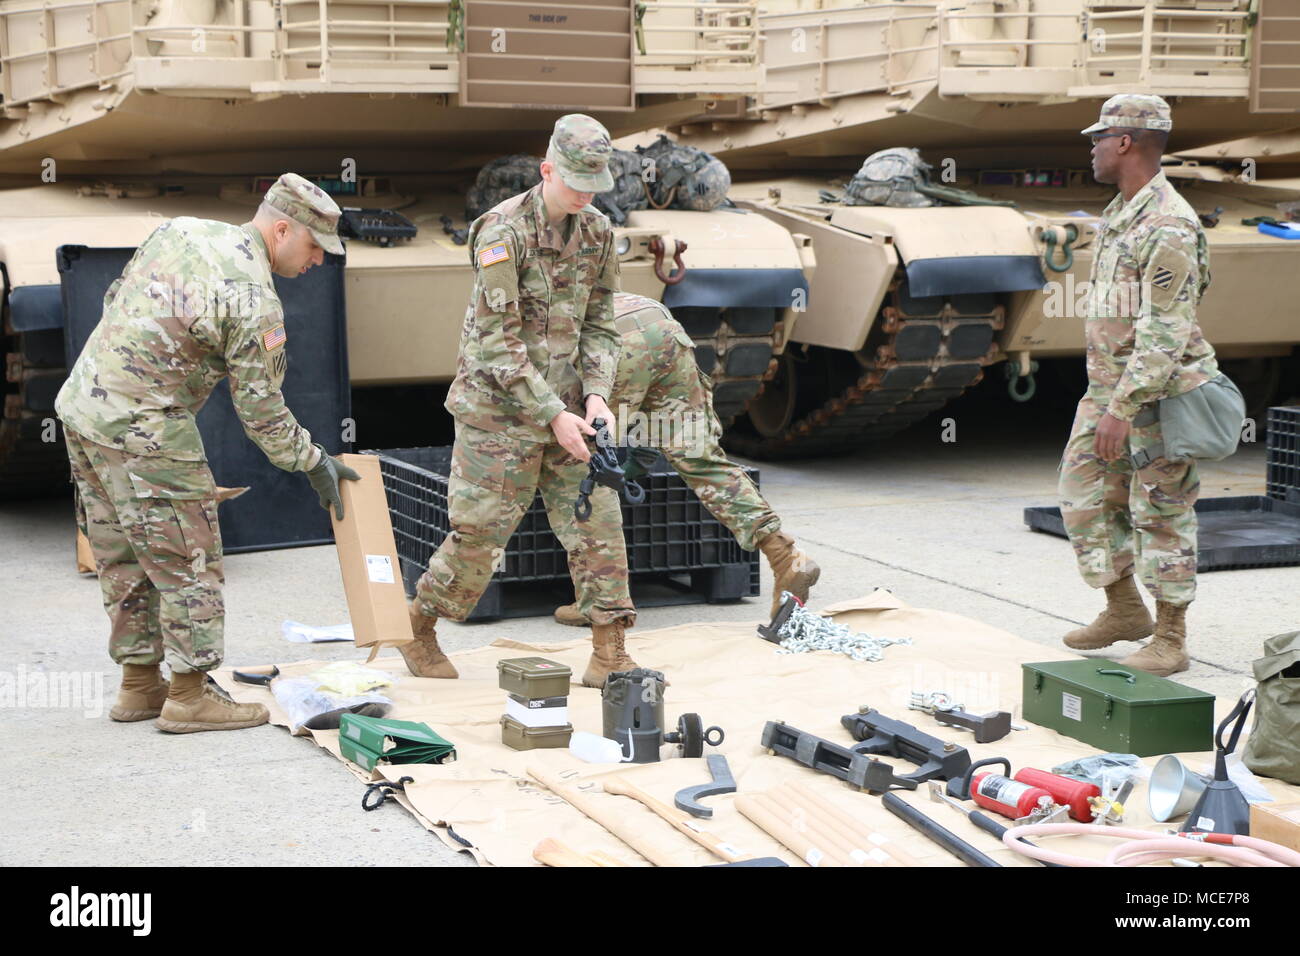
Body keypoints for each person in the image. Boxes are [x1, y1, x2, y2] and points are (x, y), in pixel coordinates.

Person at [56, 172, 359, 731]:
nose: (318, 261)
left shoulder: (182, 230)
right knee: (188, 560)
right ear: (283, 229)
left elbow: (114, 297)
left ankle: (140, 686)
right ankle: (190, 696)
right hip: (149, 429)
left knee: (123, 554)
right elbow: (262, 415)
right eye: (315, 247)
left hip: (84, 408)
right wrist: (315, 462)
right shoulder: (256, 300)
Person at [404, 114, 638, 689]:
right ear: (547, 168)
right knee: (480, 537)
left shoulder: (599, 233)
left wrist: (599, 397)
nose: (584, 194)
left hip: (569, 412)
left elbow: (602, 325)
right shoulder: (501, 233)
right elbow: (498, 345)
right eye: (574, 181)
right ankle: (419, 626)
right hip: (497, 415)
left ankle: (610, 654)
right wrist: (552, 414)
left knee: (599, 526)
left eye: (594, 183)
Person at [1058, 94, 1220, 676]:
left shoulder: (1168, 224)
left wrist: (1124, 407)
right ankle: (1125, 609)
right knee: (1084, 498)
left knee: (1161, 511)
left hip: (1155, 396)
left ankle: (1171, 637)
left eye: (1099, 138)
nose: (1094, 148)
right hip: (1106, 391)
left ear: (1125, 142)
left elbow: (1166, 330)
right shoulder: (1121, 212)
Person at [550, 293, 820, 628]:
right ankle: (783, 554)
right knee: (701, 460)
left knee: (575, 468)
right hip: (664, 332)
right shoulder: (581, 279)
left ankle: (595, 598)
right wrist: (629, 472)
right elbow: (648, 440)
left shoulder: (523, 316)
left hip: (609, 349)